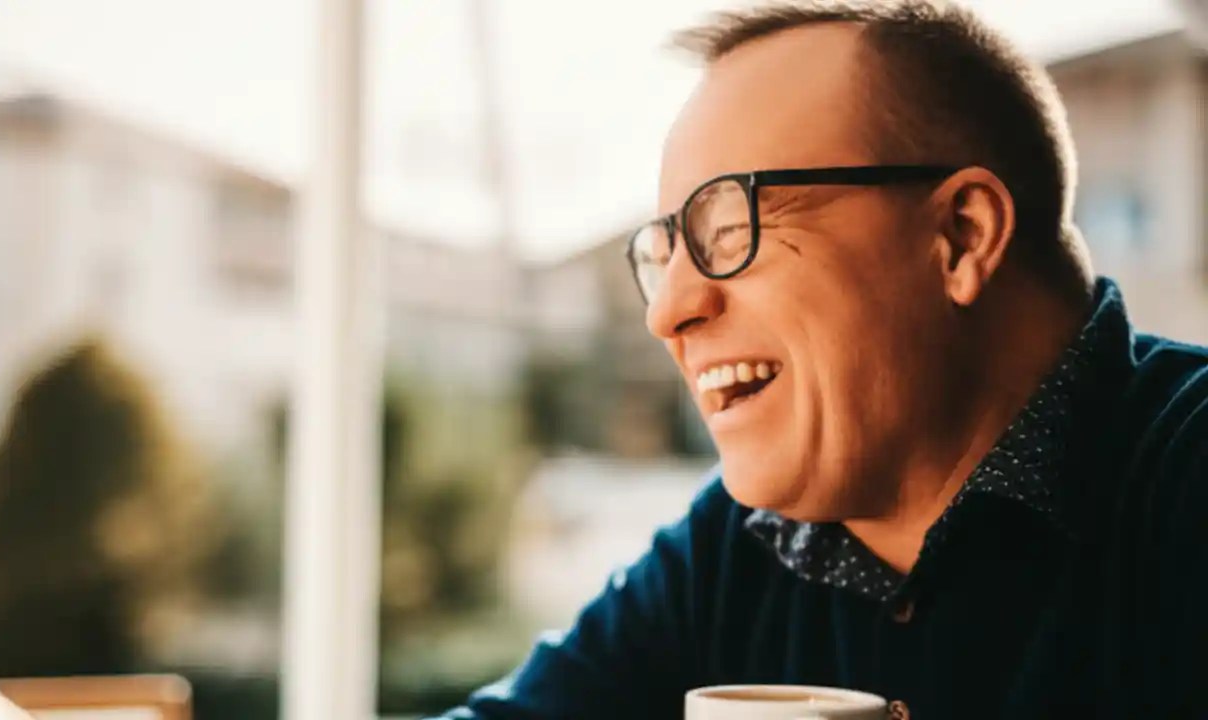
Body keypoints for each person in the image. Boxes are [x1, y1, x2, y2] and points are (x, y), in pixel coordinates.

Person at [428, 1, 1208, 718]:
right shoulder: (740, 546)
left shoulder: (1182, 481)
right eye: (664, 254)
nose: (668, 312)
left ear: (961, 237)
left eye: (730, 230)